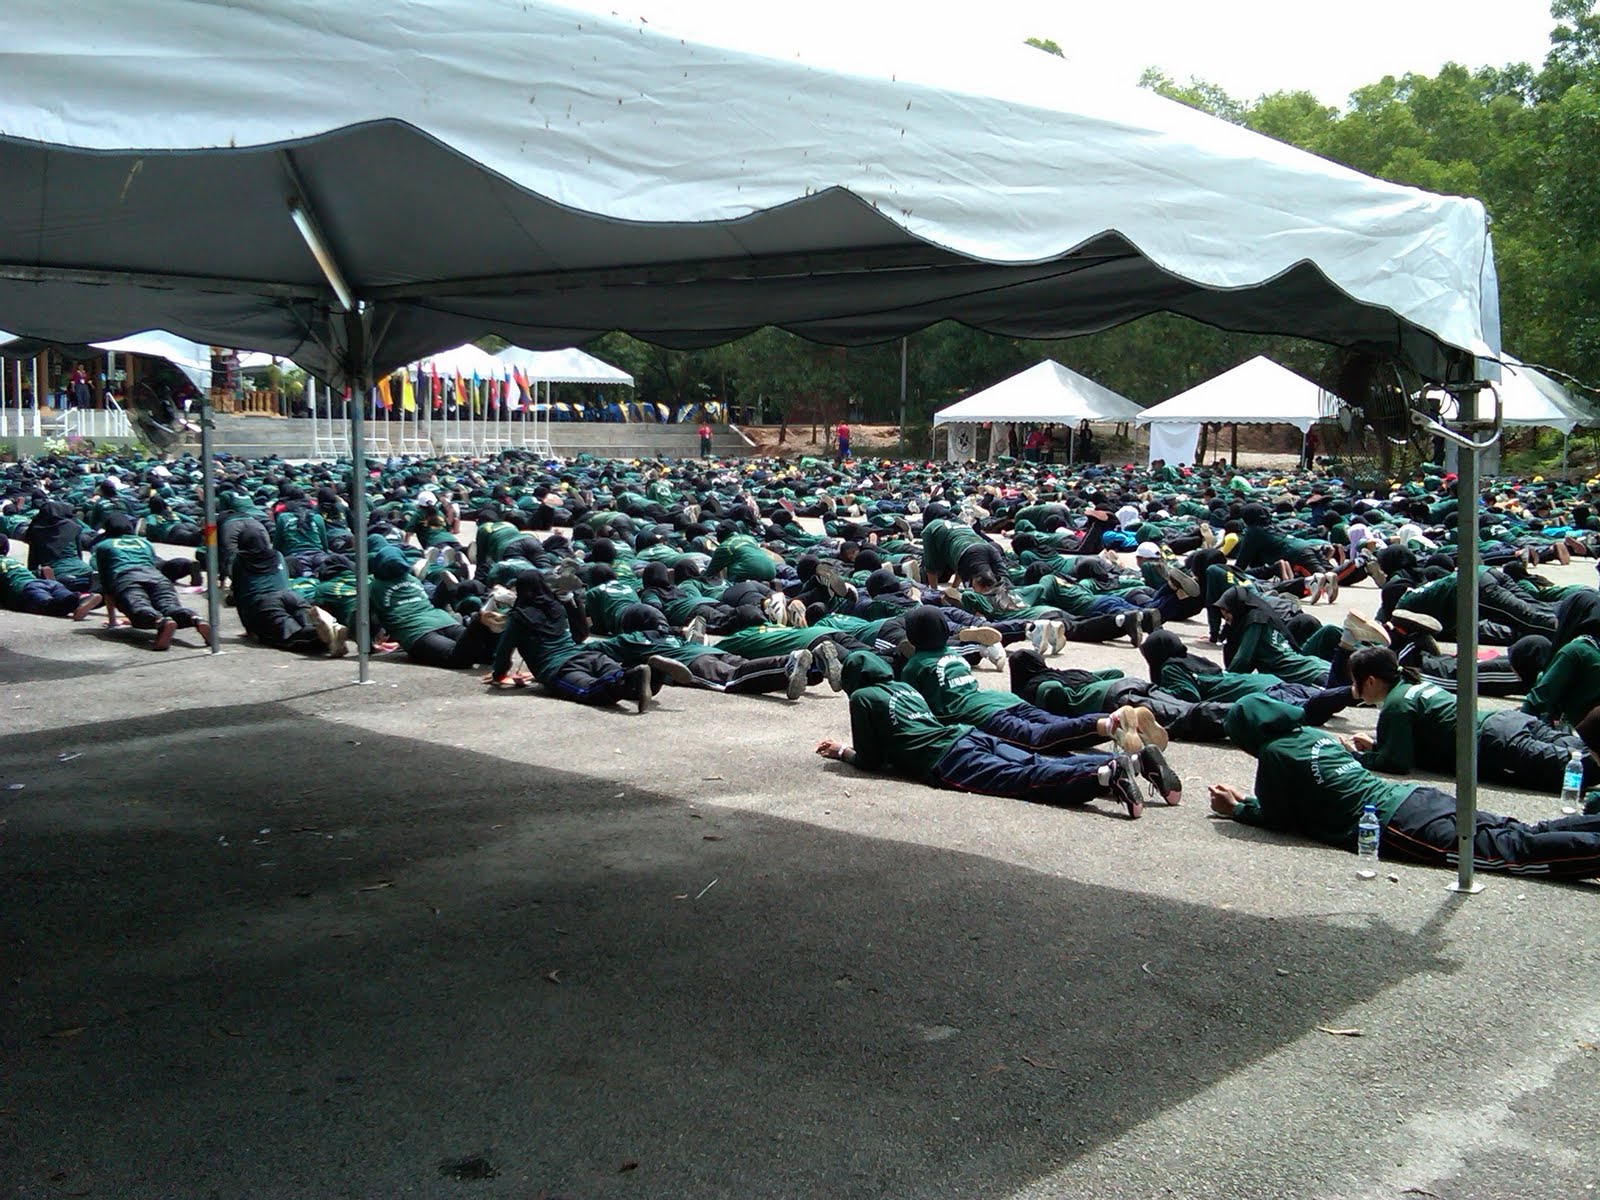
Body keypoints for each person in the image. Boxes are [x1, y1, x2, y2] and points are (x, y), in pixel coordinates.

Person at [1208, 694, 1600, 880]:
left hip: (1398, 825)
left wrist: (1239, 808)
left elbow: (1279, 817)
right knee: (1521, 832)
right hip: (1413, 797)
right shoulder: (1309, 733)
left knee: (1512, 853)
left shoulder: (1274, 753)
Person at [816, 651, 1159, 818]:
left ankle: (1103, 774)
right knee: (1034, 759)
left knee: (1021, 779)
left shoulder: (863, 698)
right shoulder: (903, 685)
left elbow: (872, 759)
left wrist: (844, 751)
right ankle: (1134, 761)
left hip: (946, 757)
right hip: (967, 734)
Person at [1343, 646, 1591, 794]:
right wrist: (1378, 745)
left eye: (1356, 681)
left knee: (1585, 771)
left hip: (1494, 744)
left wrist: (1358, 757)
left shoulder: (1395, 705)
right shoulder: (1415, 683)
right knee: (1587, 750)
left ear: (1371, 681)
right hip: (1506, 722)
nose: (1355, 689)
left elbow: (1396, 763)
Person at [487, 570, 653, 710]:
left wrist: (498, 674)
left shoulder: (518, 617)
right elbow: (581, 633)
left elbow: (504, 651)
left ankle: (636, 675)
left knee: (590, 691)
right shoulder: (556, 607)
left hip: (559, 669)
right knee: (616, 675)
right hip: (587, 655)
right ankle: (651, 675)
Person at [93, 514, 209, 650]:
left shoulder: (104, 546)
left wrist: (112, 621)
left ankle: (160, 621)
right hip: (157, 577)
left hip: (126, 578)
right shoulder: (144, 542)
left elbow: (106, 585)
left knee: (139, 608)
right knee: (170, 607)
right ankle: (195, 619)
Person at [0, 536, 100, 619]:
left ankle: (72, 605)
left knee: (49, 605)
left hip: (26, 588)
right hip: (45, 582)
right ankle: (81, 597)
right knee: (63, 594)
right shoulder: (11, 561)